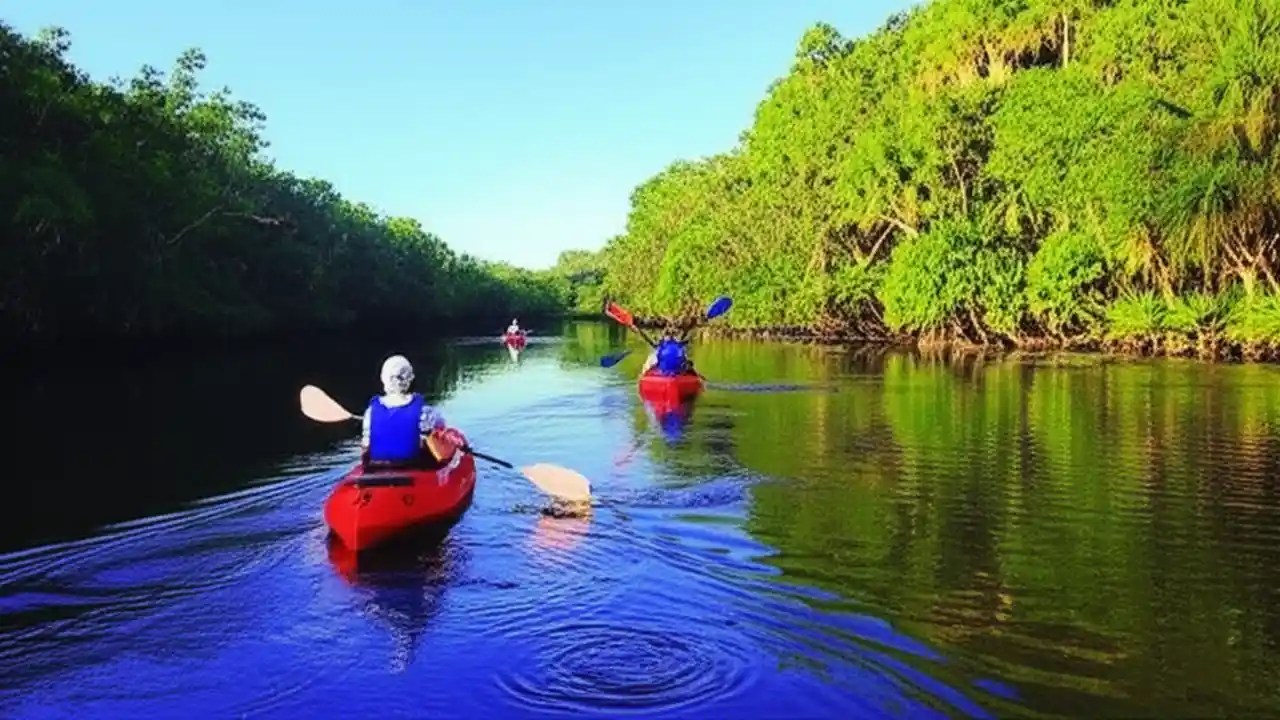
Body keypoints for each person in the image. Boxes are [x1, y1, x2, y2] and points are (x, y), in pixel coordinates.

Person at [361, 354, 448, 467]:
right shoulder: (425, 412)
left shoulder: (370, 412)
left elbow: (365, 446)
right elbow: (441, 428)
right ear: (409, 379)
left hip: (377, 466)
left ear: (384, 378)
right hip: (415, 465)